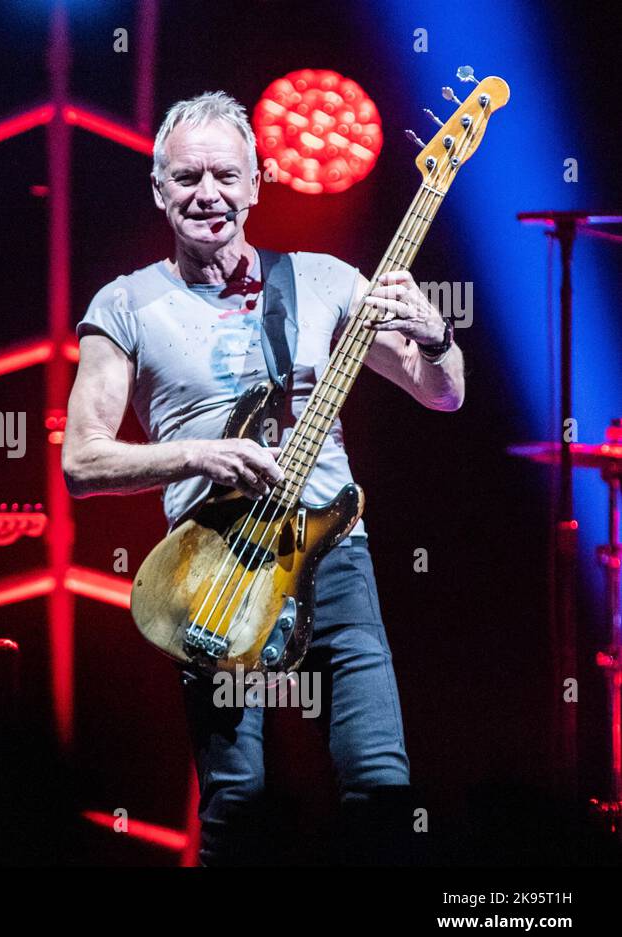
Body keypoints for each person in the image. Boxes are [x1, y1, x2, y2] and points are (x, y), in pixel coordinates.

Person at [61, 92, 464, 865]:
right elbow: (82, 462)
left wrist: (436, 333)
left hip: (333, 550)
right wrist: (197, 455)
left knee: (381, 781)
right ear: (158, 190)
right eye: (186, 178)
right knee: (237, 801)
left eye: (224, 175)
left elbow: (442, 394)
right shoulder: (125, 304)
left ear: (256, 184)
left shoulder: (322, 280)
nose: (206, 193)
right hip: (214, 565)